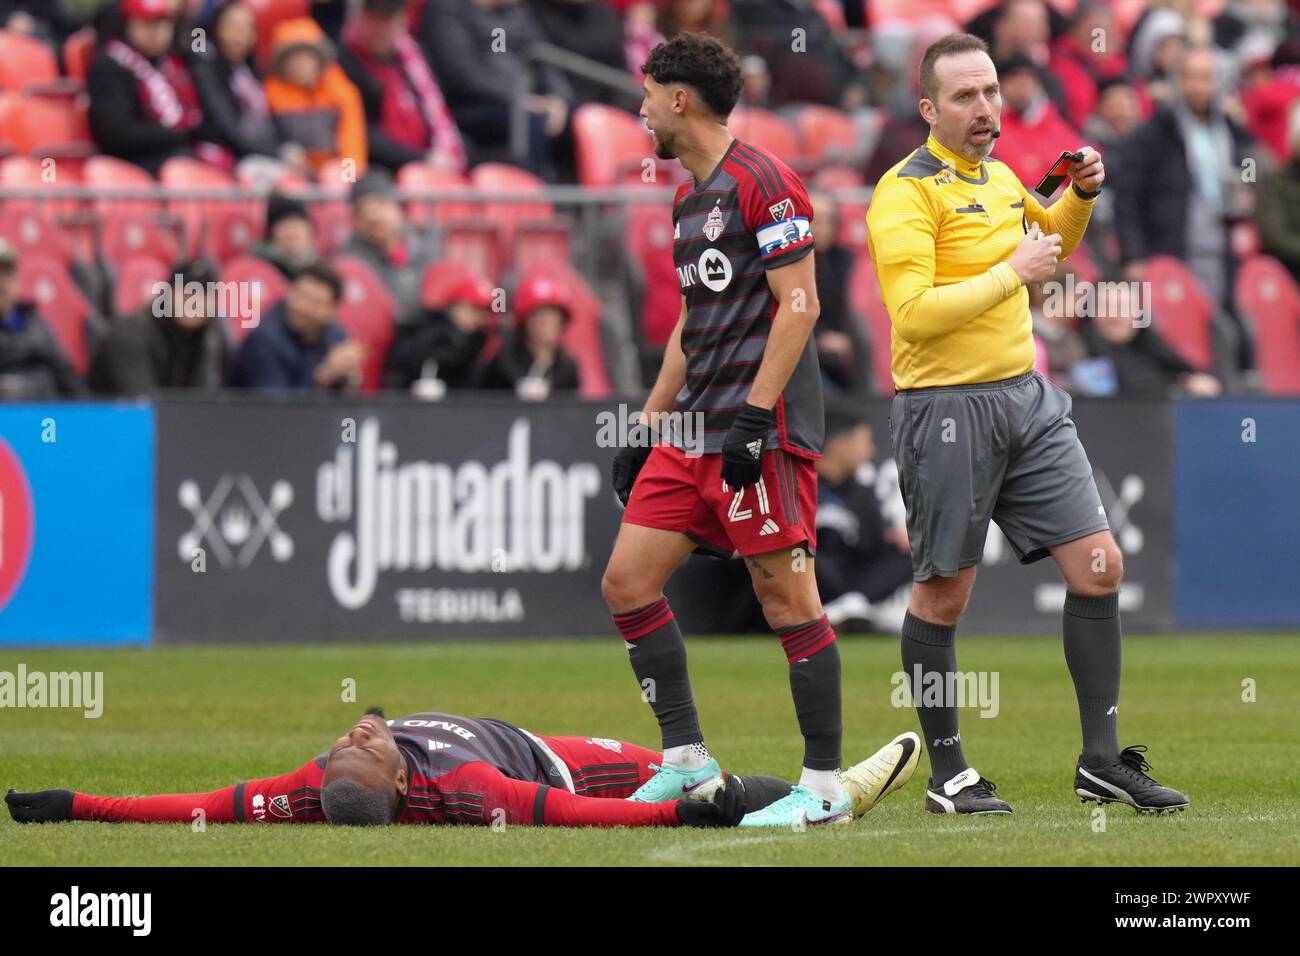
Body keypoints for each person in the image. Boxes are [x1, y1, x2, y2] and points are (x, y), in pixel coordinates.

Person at [866, 33, 1188, 815]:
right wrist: (1012, 271)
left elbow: (1049, 243)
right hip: (945, 408)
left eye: (991, 92)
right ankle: (950, 774)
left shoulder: (1004, 177)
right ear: (928, 109)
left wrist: (1076, 198)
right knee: (942, 597)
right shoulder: (905, 193)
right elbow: (912, 316)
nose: (985, 108)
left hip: (1026, 396)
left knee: (1101, 564)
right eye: (966, 96)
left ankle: (1101, 761)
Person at [606, 33, 845, 829]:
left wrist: (753, 416)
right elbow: (691, 320)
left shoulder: (767, 184)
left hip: (761, 431)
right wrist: (646, 426)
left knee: (787, 600)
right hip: (693, 433)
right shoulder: (686, 200)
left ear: (679, 99)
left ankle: (825, 786)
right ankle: (684, 757)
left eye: (646, 94)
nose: (639, 111)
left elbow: (800, 306)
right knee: (627, 582)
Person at [5, 706, 920, 829]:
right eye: (365, 744)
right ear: (403, 785)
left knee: (692, 769)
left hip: (526, 739)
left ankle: (801, 803)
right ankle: (826, 803)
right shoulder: (466, 791)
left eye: (349, 739)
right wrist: (677, 818)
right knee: (692, 772)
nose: (358, 731)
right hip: (564, 763)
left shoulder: (316, 782)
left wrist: (75, 803)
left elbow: (201, 805)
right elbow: (569, 820)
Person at [86, 0, 223, 174]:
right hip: (136, 163)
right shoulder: (110, 66)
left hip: (178, 154)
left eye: (163, 23)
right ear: (130, 25)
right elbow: (116, 134)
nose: (157, 32)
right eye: (147, 23)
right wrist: (182, 134)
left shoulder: (178, 63)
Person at [338, 0, 467, 176]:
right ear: (358, 18)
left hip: (428, 161)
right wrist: (422, 158)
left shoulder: (415, 60)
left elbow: (439, 115)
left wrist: (443, 156)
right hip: (376, 169)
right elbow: (359, 131)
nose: (381, 26)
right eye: (373, 17)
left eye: (388, 18)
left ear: (402, 20)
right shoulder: (343, 62)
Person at [814, 401, 913, 632]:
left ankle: (851, 606)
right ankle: (844, 609)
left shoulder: (862, 492)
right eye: (863, 442)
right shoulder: (801, 486)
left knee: (911, 551)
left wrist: (896, 539)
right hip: (813, 575)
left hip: (855, 576)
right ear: (839, 445)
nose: (870, 452)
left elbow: (875, 546)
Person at [189, 0, 305, 173]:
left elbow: (271, 120)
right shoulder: (207, 68)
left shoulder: (251, 72)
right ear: (215, 28)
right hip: (232, 157)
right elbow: (226, 127)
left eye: (248, 28)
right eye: (233, 26)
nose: (240, 35)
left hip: (264, 154)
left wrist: (287, 147)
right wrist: (276, 154)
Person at [88, 257, 230, 395]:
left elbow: (205, 401)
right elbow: (141, 402)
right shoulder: (130, 337)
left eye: (203, 295)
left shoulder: (204, 338)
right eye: (187, 293)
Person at [226, 261, 364, 390]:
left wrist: (348, 379)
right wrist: (325, 375)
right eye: (300, 296)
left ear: (332, 310)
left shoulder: (334, 335)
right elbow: (277, 409)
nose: (303, 307)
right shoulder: (263, 340)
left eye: (315, 303)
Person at [263, 17, 367, 176]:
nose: (300, 64)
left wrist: (350, 176)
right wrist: (283, 152)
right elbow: (265, 135)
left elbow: (352, 142)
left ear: (319, 58)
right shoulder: (271, 92)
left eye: (305, 57)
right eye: (292, 59)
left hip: (334, 169)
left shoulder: (341, 90)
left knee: (334, 179)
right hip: (292, 168)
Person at [340, 168, 435, 323]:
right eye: (362, 211)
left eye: (380, 204)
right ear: (355, 222)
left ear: (400, 210)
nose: (373, 216)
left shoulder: (426, 245)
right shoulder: (350, 260)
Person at [383, 267, 493, 391]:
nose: (479, 317)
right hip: (407, 403)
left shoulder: (480, 340)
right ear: (455, 307)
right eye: (475, 309)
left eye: (484, 311)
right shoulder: (426, 329)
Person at [0, 240, 83, 398]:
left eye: (7, 274)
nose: (1, 282)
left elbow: (68, 379)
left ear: (17, 281)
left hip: (42, 416)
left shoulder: (37, 325)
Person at [482, 272, 580, 398]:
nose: (545, 323)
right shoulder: (504, 361)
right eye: (538, 317)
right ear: (525, 322)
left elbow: (571, 411)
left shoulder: (567, 367)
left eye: (553, 317)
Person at [248, 192, 319, 279]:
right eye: (284, 224)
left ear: (309, 229)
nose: (292, 230)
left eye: (297, 223)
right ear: (272, 232)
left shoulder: (318, 266)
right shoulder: (260, 264)